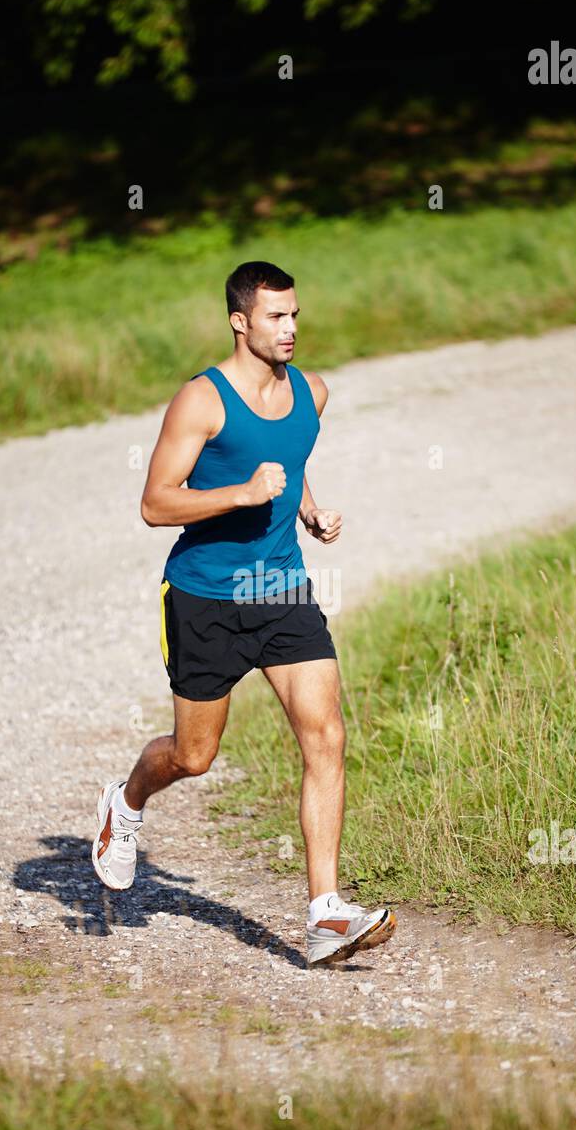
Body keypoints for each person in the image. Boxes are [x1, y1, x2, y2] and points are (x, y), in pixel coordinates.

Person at [92, 261, 395, 967]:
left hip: (282, 591)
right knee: (193, 757)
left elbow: (289, 454)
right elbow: (155, 504)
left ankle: (324, 914)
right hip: (205, 599)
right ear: (240, 321)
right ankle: (126, 801)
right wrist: (241, 493)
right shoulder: (202, 401)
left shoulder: (312, 393)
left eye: (295, 316)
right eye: (275, 318)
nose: (290, 329)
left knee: (327, 736)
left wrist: (309, 509)